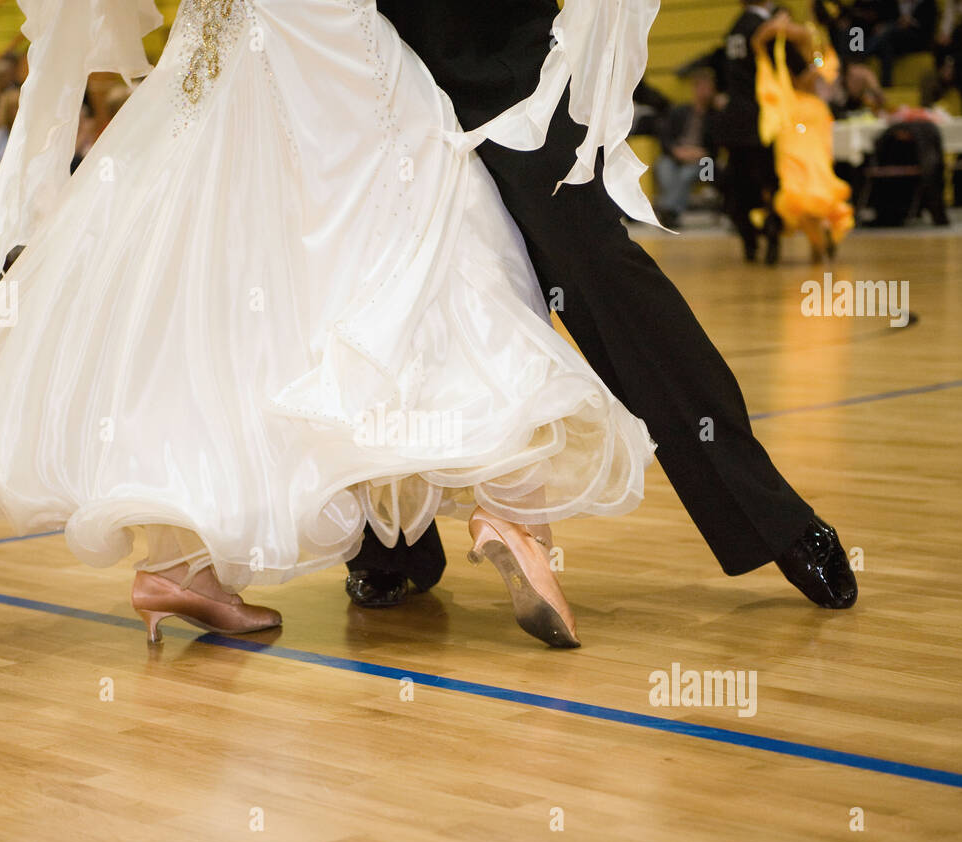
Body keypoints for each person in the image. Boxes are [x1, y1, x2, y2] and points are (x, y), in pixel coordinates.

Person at [0, 0, 659, 650]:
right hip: (323, 33)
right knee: (431, 223)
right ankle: (512, 507)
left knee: (204, 274)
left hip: (214, 41)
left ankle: (178, 561)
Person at [357, 0, 858, 613]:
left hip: (510, 73)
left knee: (608, 284)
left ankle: (771, 513)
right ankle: (390, 539)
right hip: (378, 77)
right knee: (386, 301)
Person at [754, 13, 854, 262]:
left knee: (812, 179)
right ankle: (819, 239)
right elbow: (758, 44)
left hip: (807, 117)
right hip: (793, 118)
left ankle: (819, 241)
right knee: (800, 181)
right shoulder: (790, 44)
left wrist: (779, 30)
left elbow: (816, 76)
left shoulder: (813, 44)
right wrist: (775, 30)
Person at [715, 0, 785, 264]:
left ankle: (749, 238)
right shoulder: (765, 27)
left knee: (739, 183)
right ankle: (773, 232)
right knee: (770, 181)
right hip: (762, 118)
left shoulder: (735, 27)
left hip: (734, 119)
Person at [654, 69, 717, 230]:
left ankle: (667, 210)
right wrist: (676, 151)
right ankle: (671, 211)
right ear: (695, 89)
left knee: (686, 174)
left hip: (705, 161)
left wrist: (699, 153)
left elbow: (716, 148)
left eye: (707, 88)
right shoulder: (679, 111)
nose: (704, 92)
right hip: (677, 156)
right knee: (663, 168)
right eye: (701, 87)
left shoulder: (715, 116)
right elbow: (665, 138)